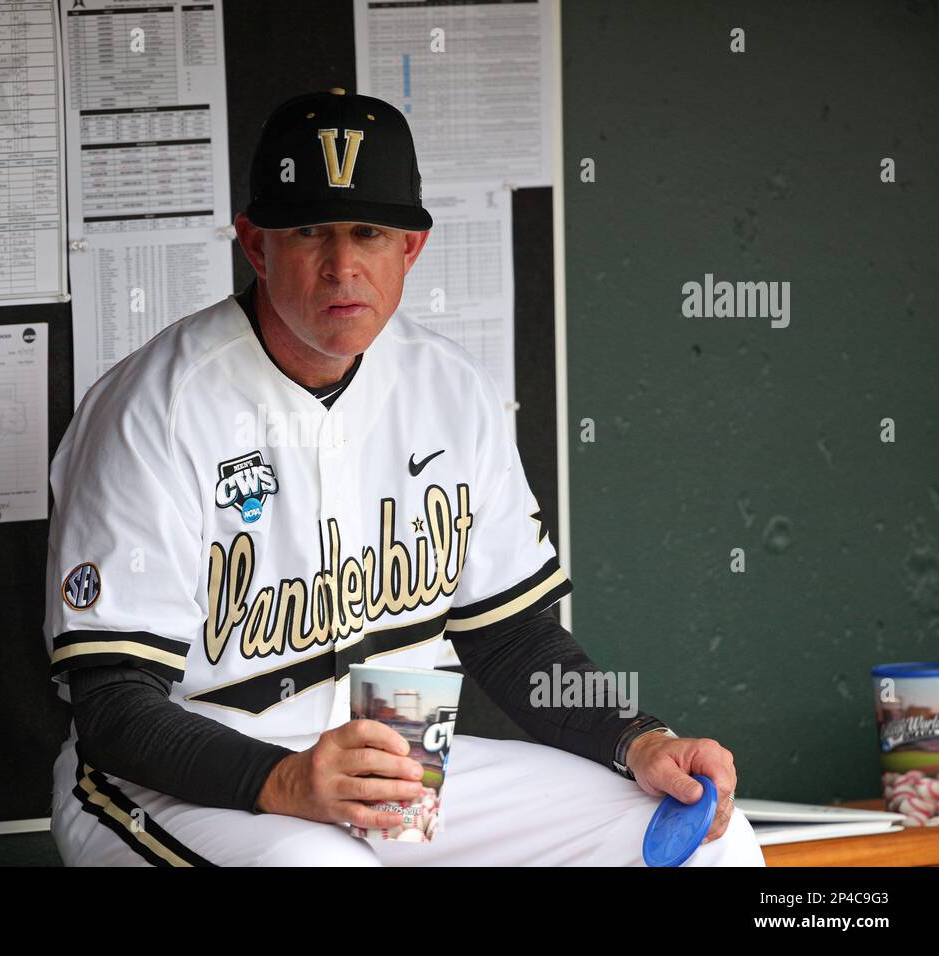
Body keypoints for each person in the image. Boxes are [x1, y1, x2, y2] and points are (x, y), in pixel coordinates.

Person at [42, 88, 765, 866]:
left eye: (370, 232)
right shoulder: (153, 407)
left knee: (700, 838)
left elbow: (512, 639)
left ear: (411, 249)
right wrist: (283, 779)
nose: (342, 266)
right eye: (310, 231)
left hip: (406, 762)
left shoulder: (451, 390)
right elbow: (114, 706)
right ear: (256, 246)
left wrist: (638, 737)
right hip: (184, 784)